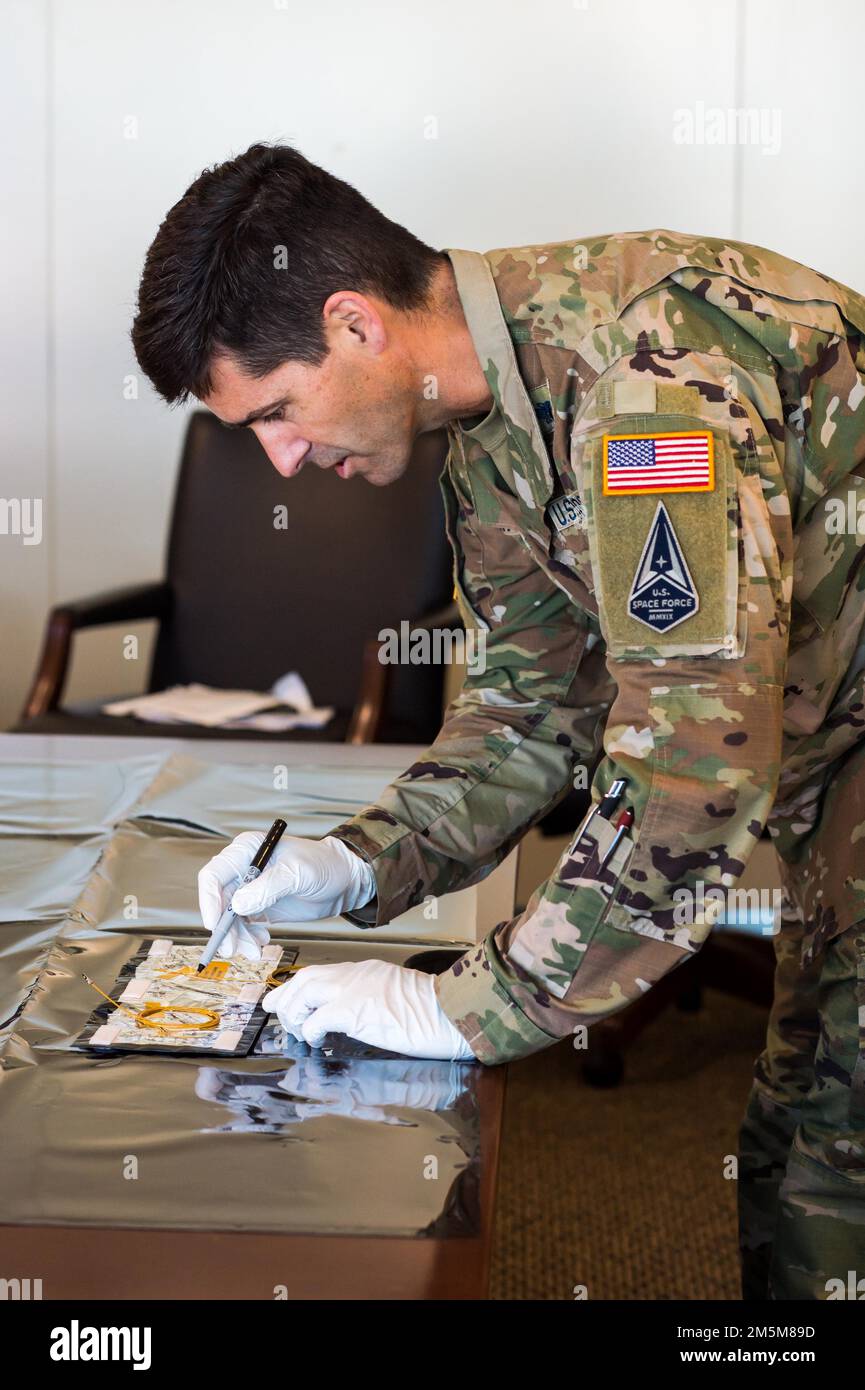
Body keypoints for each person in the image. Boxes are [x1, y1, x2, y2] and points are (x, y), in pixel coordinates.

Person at [132, 143, 865, 1299]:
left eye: (274, 411)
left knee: (839, 1146)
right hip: (834, 743)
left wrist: (462, 1007)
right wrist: (352, 864)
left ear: (355, 325)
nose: (278, 458)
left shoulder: (642, 394)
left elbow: (691, 768)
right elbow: (530, 710)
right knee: (801, 1127)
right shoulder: (483, 420)